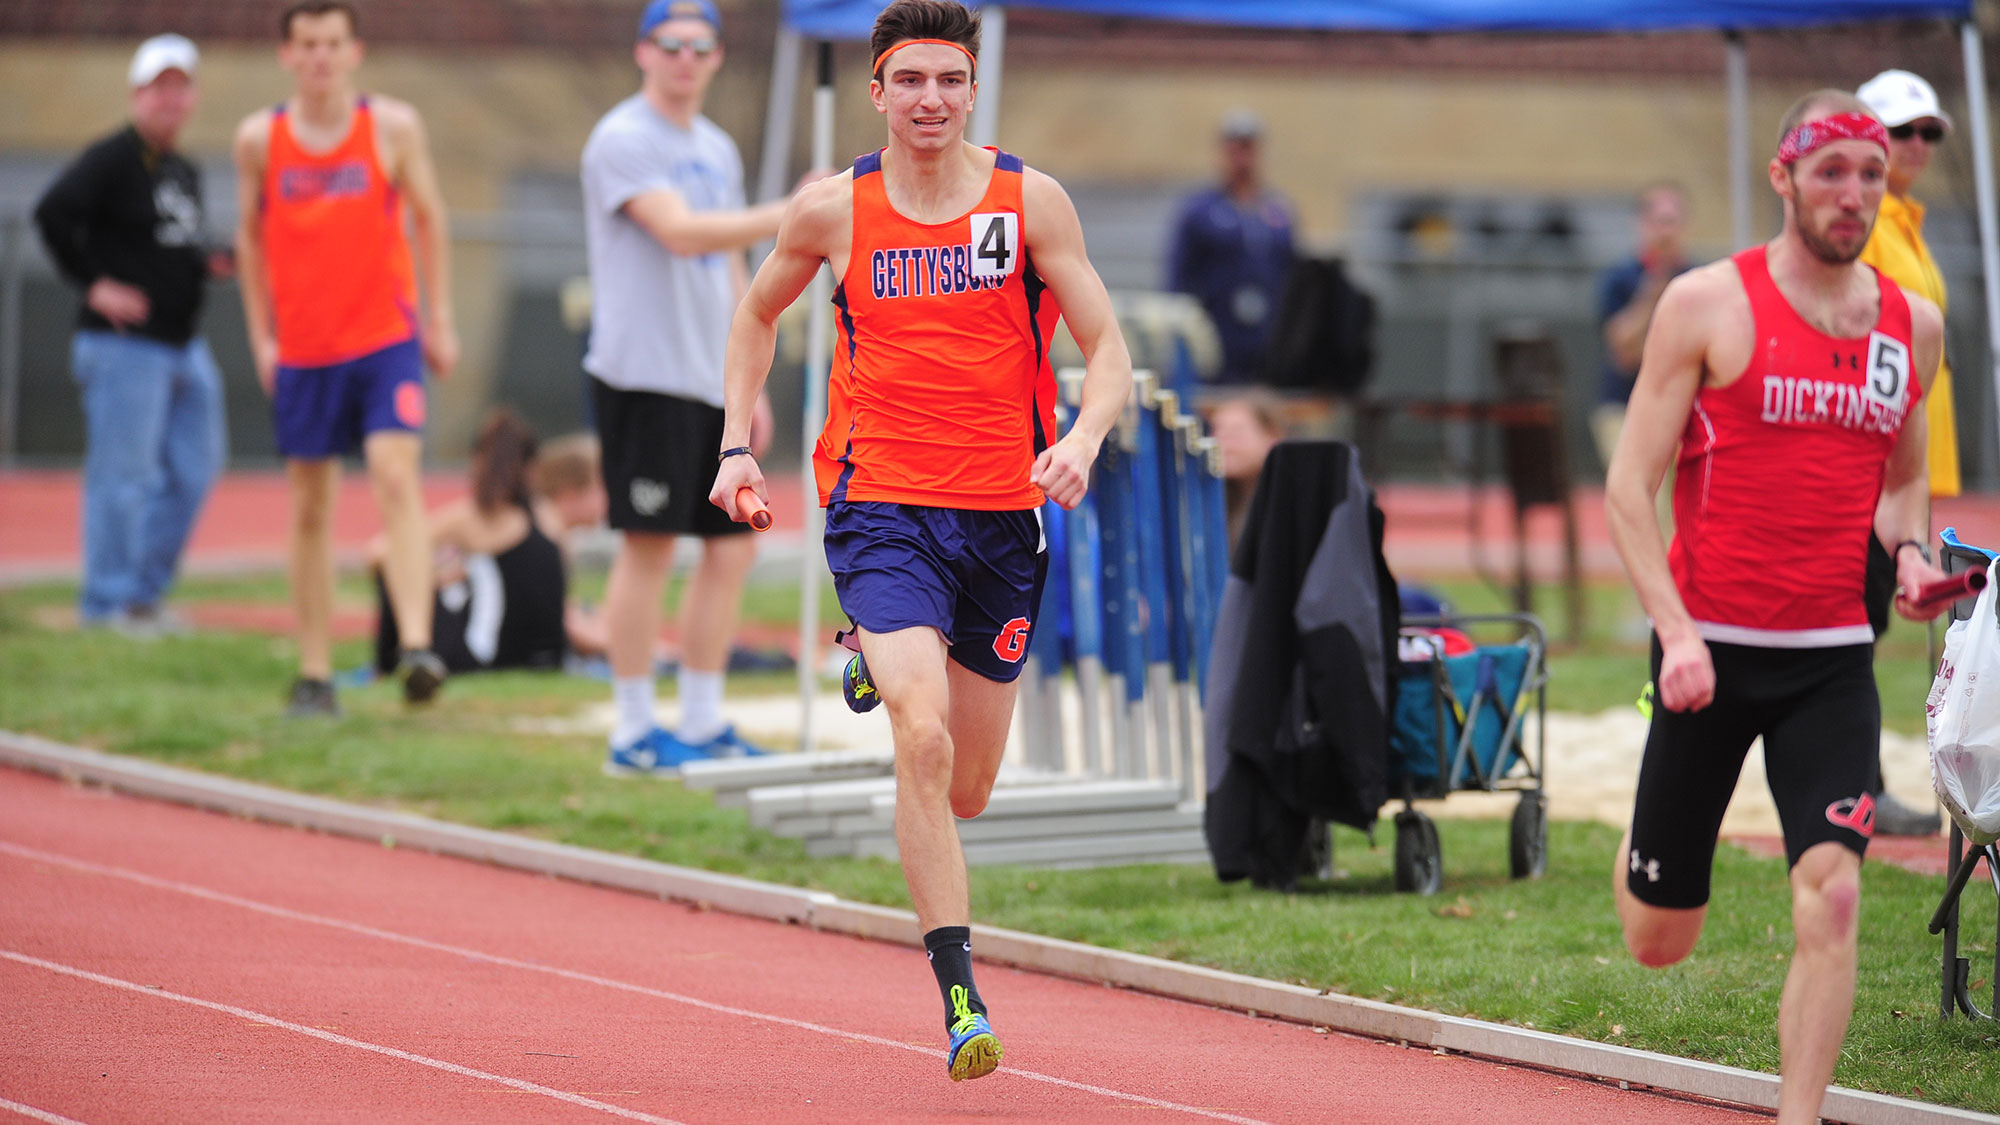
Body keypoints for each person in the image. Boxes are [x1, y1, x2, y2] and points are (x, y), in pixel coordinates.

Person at [710, 0, 1132, 1082]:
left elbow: (1106, 343)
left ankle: (872, 649)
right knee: (921, 734)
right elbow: (756, 314)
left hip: (1001, 516)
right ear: (878, 92)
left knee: (967, 787)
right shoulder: (832, 211)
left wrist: (1082, 435)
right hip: (877, 502)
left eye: (950, 80)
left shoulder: (1028, 202)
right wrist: (734, 446)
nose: (930, 101)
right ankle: (960, 997)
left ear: (973, 86)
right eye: (911, 81)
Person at [1604, 91, 1947, 1125]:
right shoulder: (1706, 304)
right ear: (1782, 180)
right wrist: (1671, 633)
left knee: (1833, 893)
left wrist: (1914, 555)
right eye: (1830, 172)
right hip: (1706, 653)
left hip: (1829, 660)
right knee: (1657, 939)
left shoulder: (1909, 326)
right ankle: (1649, 851)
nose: (1851, 194)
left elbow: (1898, 486)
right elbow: (1628, 486)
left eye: (1870, 175)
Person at [583, 0, 806, 773]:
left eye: (699, 46)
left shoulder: (714, 147)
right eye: (670, 44)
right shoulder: (623, 138)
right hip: (644, 374)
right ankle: (633, 730)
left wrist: (749, 389)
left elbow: (734, 275)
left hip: (709, 380)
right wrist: (792, 212)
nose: (684, 58)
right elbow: (679, 233)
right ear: (645, 52)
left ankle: (705, 718)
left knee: (732, 547)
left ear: (715, 57)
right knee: (647, 548)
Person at [234, 0, 460, 717]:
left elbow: (431, 216)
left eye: (333, 43)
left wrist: (439, 316)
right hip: (304, 345)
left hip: (384, 338)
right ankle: (314, 672)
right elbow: (246, 236)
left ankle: (418, 647)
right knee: (310, 503)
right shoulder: (260, 140)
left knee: (396, 474)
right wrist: (261, 336)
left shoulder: (391, 127)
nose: (321, 57)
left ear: (354, 50)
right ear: (288, 55)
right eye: (308, 45)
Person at [34, 34, 229, 636]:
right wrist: (93, 283)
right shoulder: (111, 158)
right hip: (125, 347)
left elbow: (173, 244)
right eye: (159, 87)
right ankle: (105, 605)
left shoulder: (183, 170)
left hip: (182, 343)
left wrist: (213, 262)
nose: (171, 99)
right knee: (124, 478)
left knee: (196, 467)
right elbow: (53, 214)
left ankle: (144, 596)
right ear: (136, 94)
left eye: (181, 87)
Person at [1858, 68, 1961, 836]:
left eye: (1928, 132)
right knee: (1855, 622)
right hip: (1872, 460)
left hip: (1912, 461)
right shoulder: (1864, 223)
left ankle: (1865, 782)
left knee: (1870, 619)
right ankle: (1859, 787)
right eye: (1903, 132)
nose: (1918, 146)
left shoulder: (1907, 222)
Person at [371, 411, 610, 676]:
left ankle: (389, 664)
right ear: (532, 469)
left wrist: (438, 571)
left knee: (403, 570)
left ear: (477, 462)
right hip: (544, 657)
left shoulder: (473, 518)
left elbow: (380, 553)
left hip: (482, 655)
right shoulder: (550, 521)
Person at [1166, 110, 1295, 384]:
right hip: (1216, 337)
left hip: (1266, 340)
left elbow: (1291, 276)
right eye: (1235, 149)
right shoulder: (1200, 212)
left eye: (1248, 149)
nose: (1242, 159)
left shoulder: (1279, 213)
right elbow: (1178, 278)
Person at [1593, 182, 1692, 474]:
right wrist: (1654, 288)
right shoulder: (1619, 278)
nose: (1666, 231)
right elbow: (1623, 351)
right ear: (1642, 224)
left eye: (1672, 222)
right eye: (1659, 221)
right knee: (1636, 493)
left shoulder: (1699, 278)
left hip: (1682, 411)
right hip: (1624, 406)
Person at [1207, 390, 1284, 547]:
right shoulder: (1209, 499)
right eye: (1217, 432)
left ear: (1272, 438)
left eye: (1236, 433)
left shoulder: (1291, 502)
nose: (1224, 445)